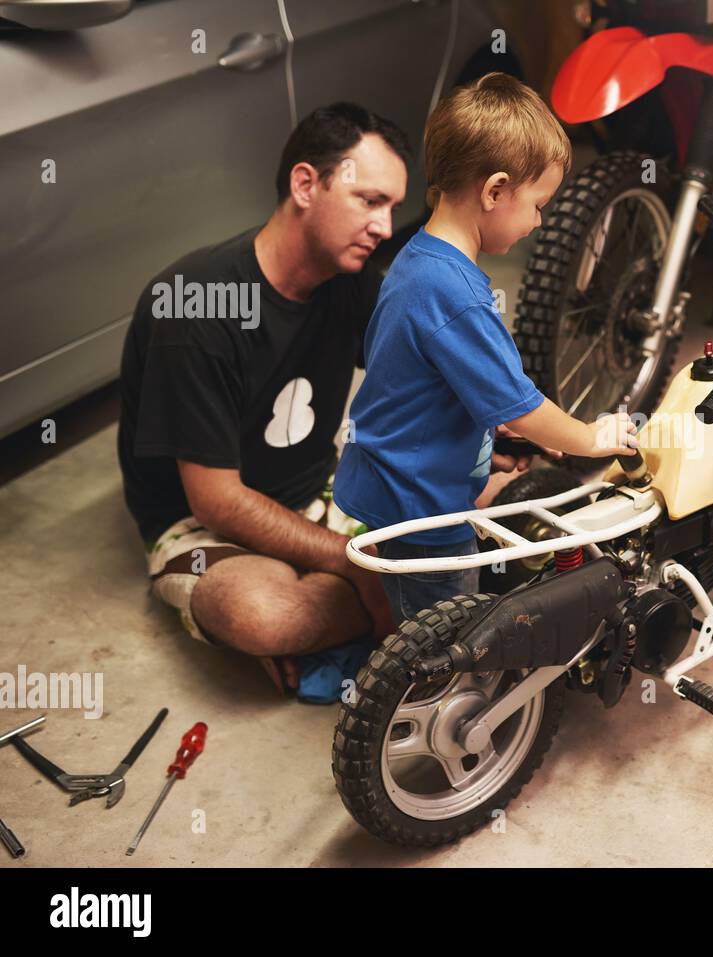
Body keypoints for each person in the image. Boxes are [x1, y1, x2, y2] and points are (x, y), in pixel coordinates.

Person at [116, 102, 525, 695]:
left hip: (320, 487)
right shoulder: (196, 305)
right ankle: (375, 605)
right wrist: (349, 561)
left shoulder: (348, 279)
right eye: (370, 201)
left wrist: (497, 425)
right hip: (204, 522)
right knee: (262, 613)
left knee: (504, 493)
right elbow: (216, 501)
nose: (387, 228)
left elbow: (427, 377)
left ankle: (353, 610)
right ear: (306, 184)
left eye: (392, 207)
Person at [334, 73, 638, 624]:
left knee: (418, 616)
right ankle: (436, 703)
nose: (539, 222)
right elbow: (522, 405)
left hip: (394, 477)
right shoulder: (459, 297)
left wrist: (484, 425)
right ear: (495, 191)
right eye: (539, 204)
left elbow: (427, 376)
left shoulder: (417, 259)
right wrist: (591, 439)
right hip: (424, 512)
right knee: (450, 637)